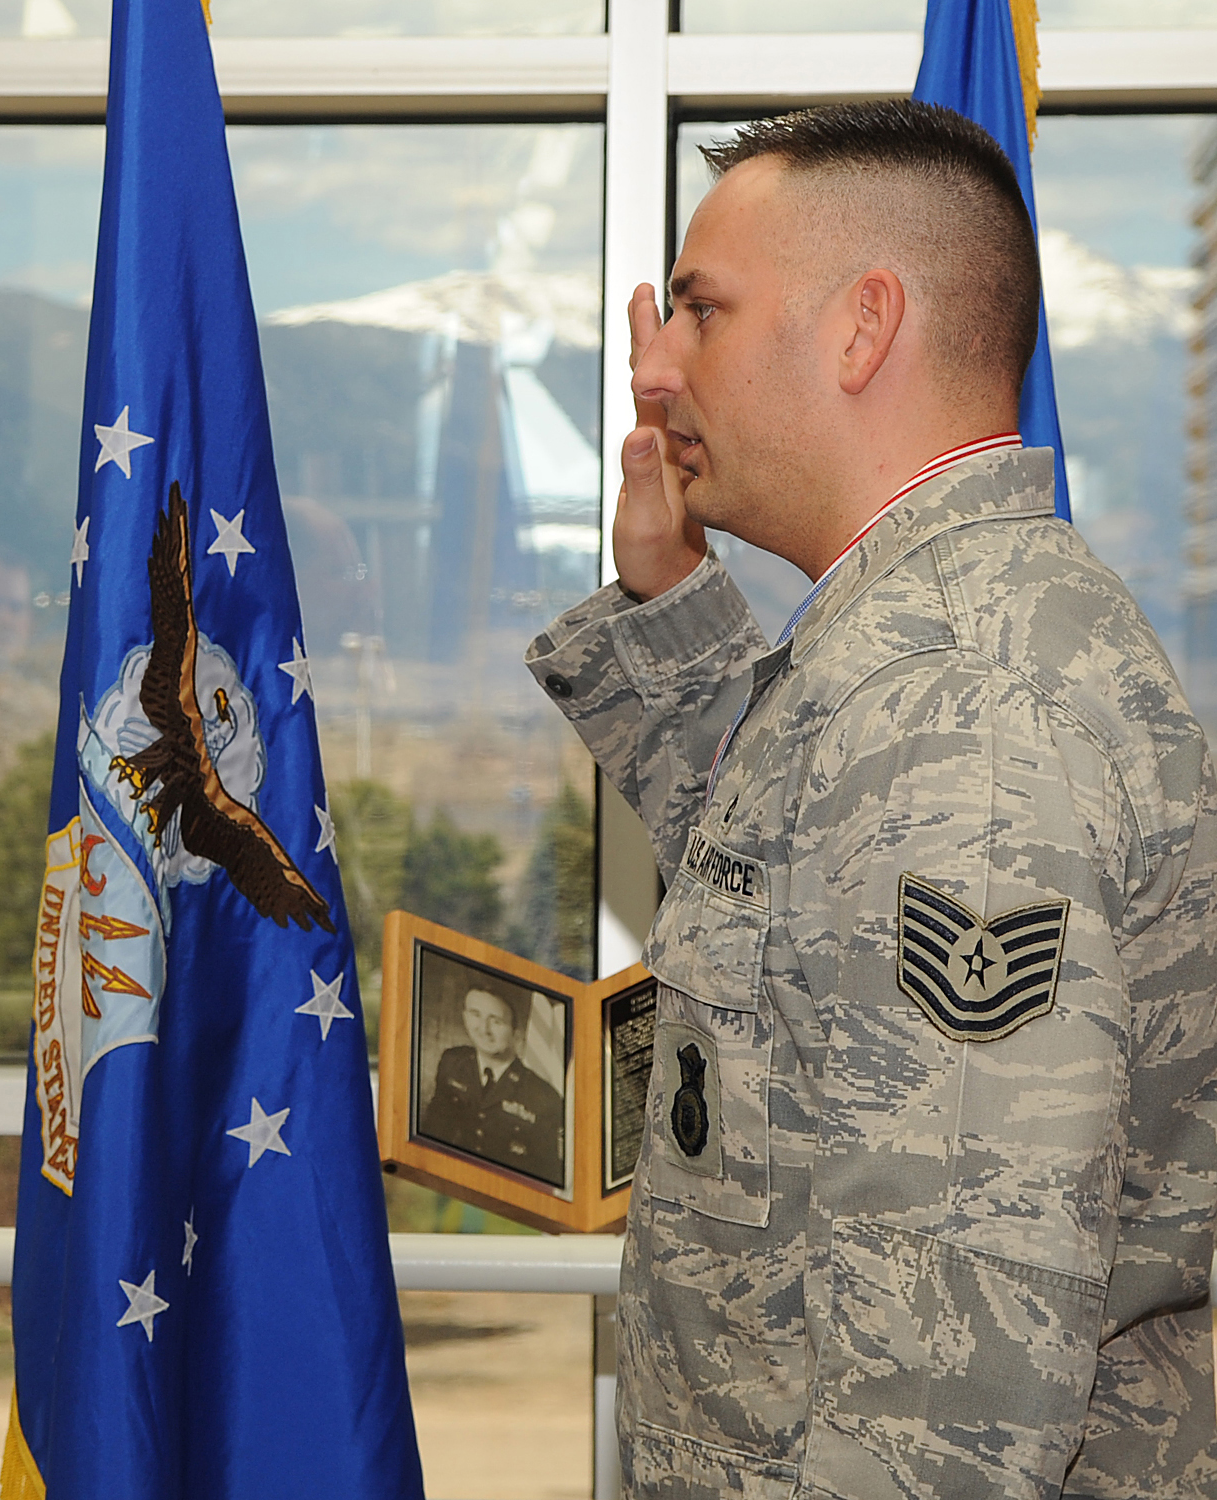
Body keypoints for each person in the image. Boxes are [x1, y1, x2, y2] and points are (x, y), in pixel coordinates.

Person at [527, 100, 1217, 1498]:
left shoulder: (964, 710)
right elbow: (790, 908)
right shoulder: (920, 651)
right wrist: (668, 610)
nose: (652, 367)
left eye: (701, 311)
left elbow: (950, 1407)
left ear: (862, 327)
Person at [420, 986, 564, 1181]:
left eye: (496, 1021)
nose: (484, 1029)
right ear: (464, 1016)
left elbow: (547, 1175)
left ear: (516, 1032)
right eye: (475, 1014)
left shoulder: (544, 1096)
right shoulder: (453, 1062)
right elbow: (433, 1129)